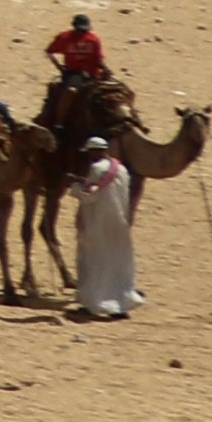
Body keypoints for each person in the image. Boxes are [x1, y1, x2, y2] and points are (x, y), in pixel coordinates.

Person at [70, 136, 142, 320]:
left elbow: (89, 196)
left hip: (97, 224)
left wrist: (76, 187)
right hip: (118, 224)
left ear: (94, 152)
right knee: (118, 264)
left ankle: (91, 304)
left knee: (93, 263)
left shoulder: (96, 169)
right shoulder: (122, 170)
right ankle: (120, 305)